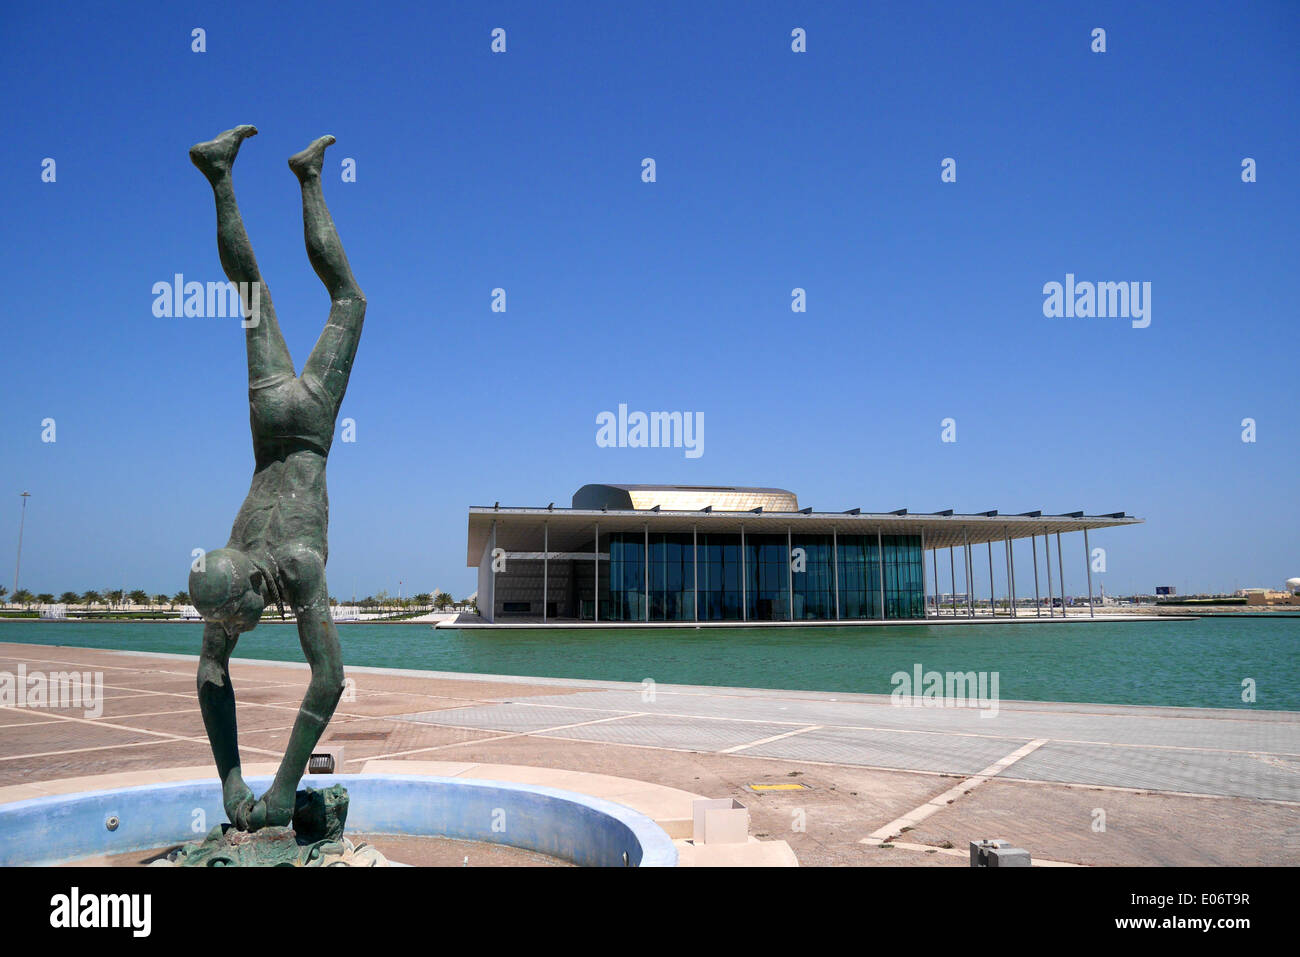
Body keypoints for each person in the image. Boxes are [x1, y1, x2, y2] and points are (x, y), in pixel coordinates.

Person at [187, 125, 365, 830]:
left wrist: (270, 783)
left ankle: (291, 176)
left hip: (312, 421)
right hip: (270, 419)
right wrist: (244, 785)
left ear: (245, 587)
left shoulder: (285, 566)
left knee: (350, 303)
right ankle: (238, 174)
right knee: (254, 294)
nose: (234, 631)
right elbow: (217, 671)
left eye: (234, 621)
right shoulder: (232, 563)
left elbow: (329, 679)